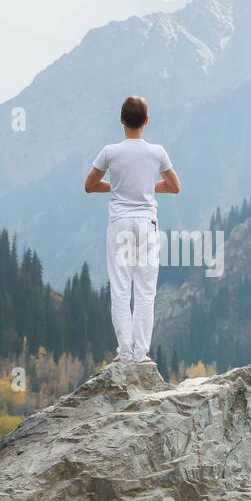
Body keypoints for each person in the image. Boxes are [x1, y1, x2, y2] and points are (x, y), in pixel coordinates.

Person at [84, 95, 180, 363]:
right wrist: (149, 187)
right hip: (147, 223)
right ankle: (141, 355)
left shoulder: (110, 152)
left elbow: (89, 185)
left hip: (120, 223)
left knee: (121, 289)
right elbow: (174, 186)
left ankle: (125, 353)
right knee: (145, 291)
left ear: (121, 120)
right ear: (146, 121)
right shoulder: (157, 152)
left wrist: (116, 186)